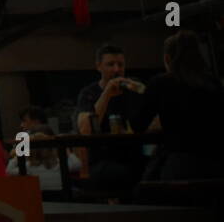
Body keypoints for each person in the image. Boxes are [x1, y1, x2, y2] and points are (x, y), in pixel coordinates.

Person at [130, 31, 224, 181]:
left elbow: (137, 124)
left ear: (167, 58)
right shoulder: (213, 83)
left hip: (179, 165)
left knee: (143, 188)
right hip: (216, 163)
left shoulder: (160, 83)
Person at [75, 42, 145, 196]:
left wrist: (144, 91)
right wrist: (106, 94)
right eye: (110, 64)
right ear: (99, 66)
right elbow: (85, 129)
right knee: (117, 174)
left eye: (120, 64)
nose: (117, 70)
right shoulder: (89, 93)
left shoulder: (133, 90)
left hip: (134, 157)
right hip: (102, 160)